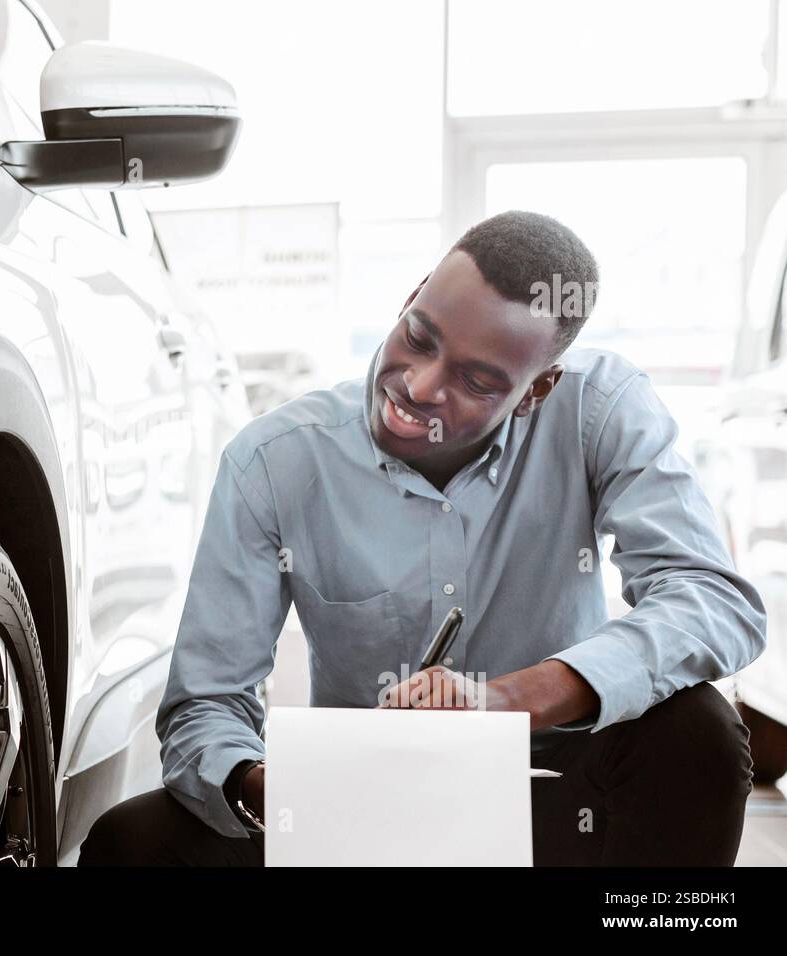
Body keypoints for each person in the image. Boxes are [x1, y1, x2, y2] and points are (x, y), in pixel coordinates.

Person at [78, 210, 765, 867]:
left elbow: (713, 599)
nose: (418, 386)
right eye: (420, 336)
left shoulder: (598, 407)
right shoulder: (274, 461)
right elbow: (206, 702)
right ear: (410, 298)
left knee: (696, 733)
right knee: (132, 845)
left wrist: (508, 701)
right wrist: (266, 788)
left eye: (476, 380)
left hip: (549, 793)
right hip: (359, 813)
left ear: (536, 390)